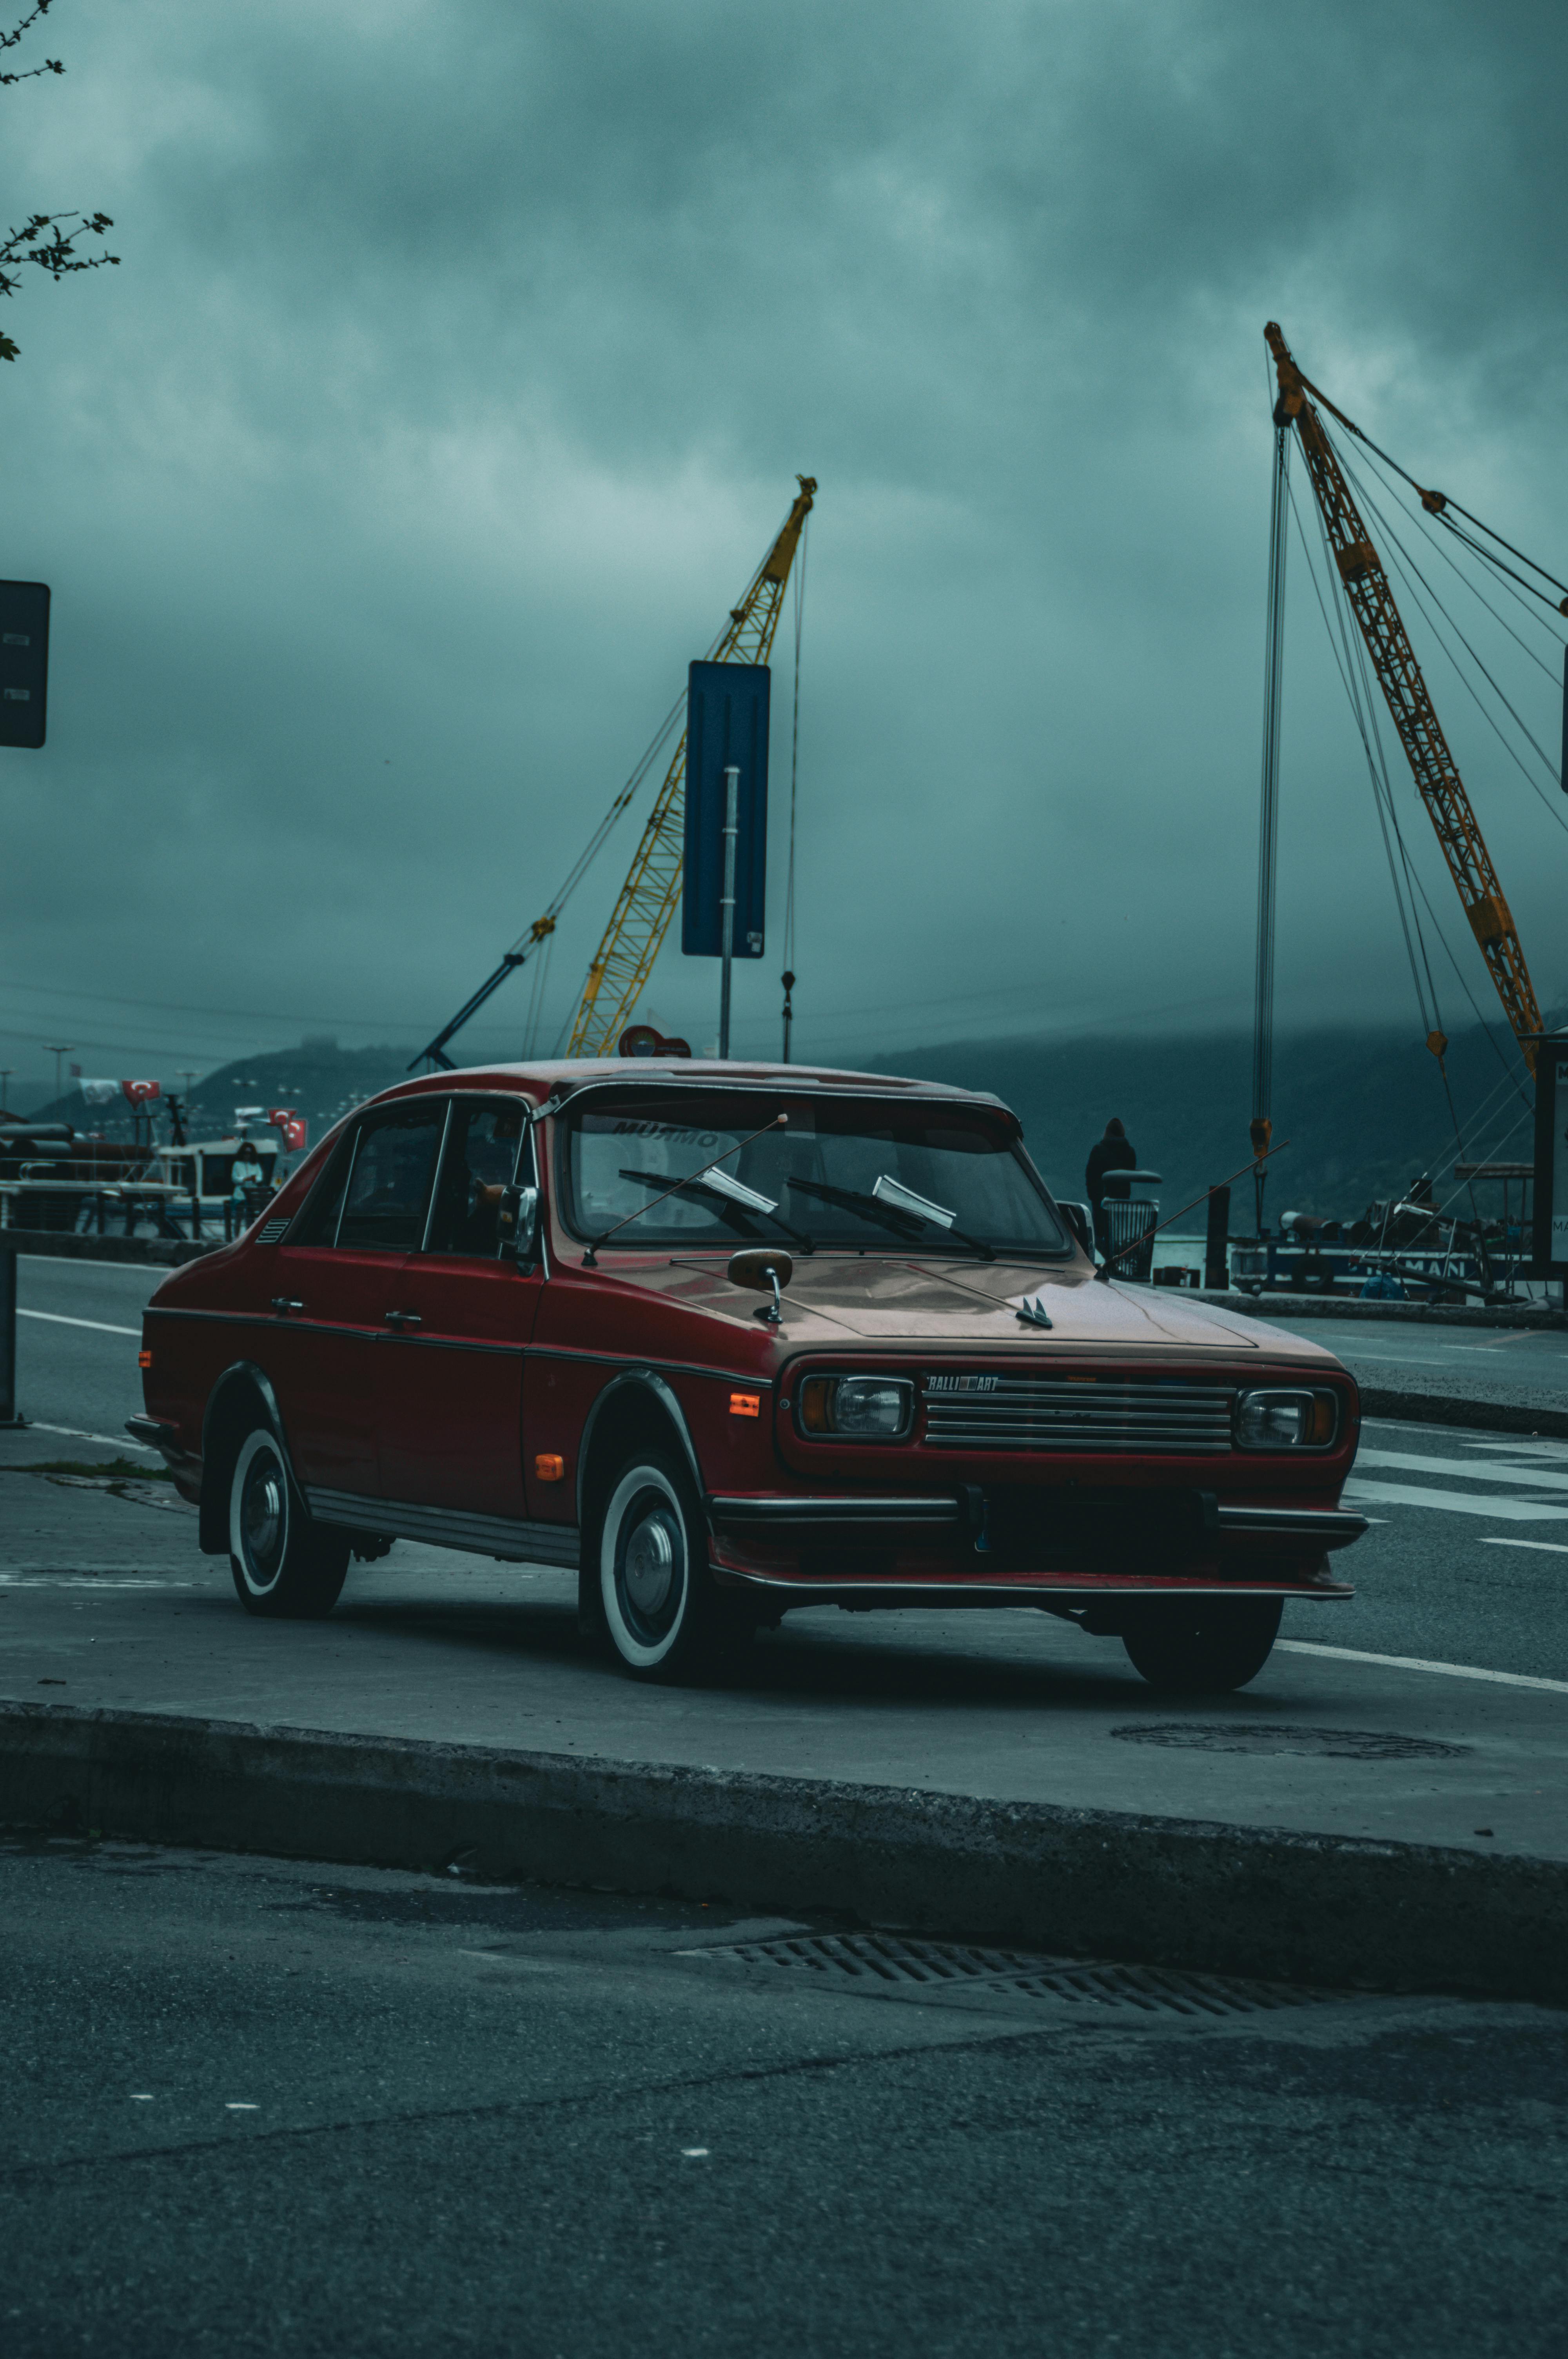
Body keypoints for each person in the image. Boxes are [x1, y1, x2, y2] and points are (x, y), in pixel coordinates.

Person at [1085, 1117, 1137, 1263]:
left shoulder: (1099, 1150)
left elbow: (1090, 1175)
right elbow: (1131, 1174)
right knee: (1117, 1236)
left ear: (1107, 1132)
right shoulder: (1130, 1152)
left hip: (1101, 1201)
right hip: (1122, 1203)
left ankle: (1112, 1259)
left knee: (1096, 1235)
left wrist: (1094, 1197)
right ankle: (1118, 1259)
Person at [227, 1133, 266, 1240]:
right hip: (240, 1194)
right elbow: (234, 1178)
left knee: (250, 1218)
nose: (247, 1156)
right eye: (245, 1153)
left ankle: (249, 1237)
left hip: (252, 1194)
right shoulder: (237, 1164)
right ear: (242, 1154)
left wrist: (254, 1179)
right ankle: (236, 1238)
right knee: (239, 1217)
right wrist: (244, 1179)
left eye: (249, 1154)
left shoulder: (256, 1165)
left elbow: (260, 1177)